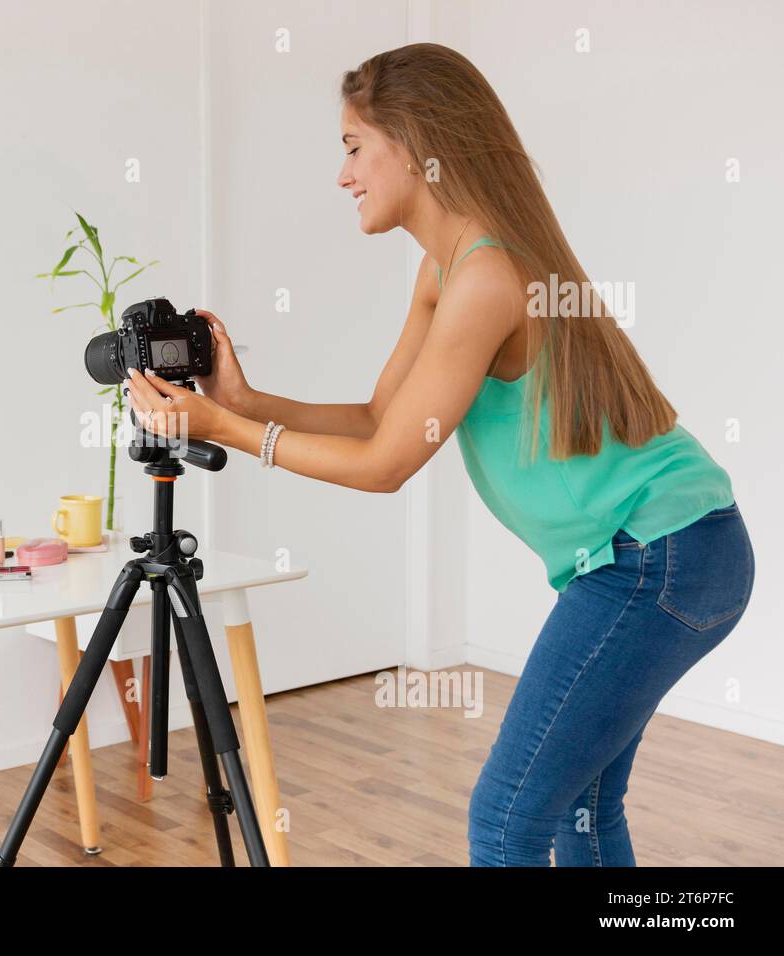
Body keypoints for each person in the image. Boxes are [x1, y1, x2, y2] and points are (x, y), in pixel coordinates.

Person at [122, 42, 755, 867]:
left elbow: (387, 466)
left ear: (416, 142)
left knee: (505, 819)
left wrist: (225, 431)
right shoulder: (446, 267)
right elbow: (387, 419)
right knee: (580, 812)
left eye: (354, 147)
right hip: (671, 552)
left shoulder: (489, 278)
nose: (343, 174)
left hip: (661, 558)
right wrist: (243, 404)